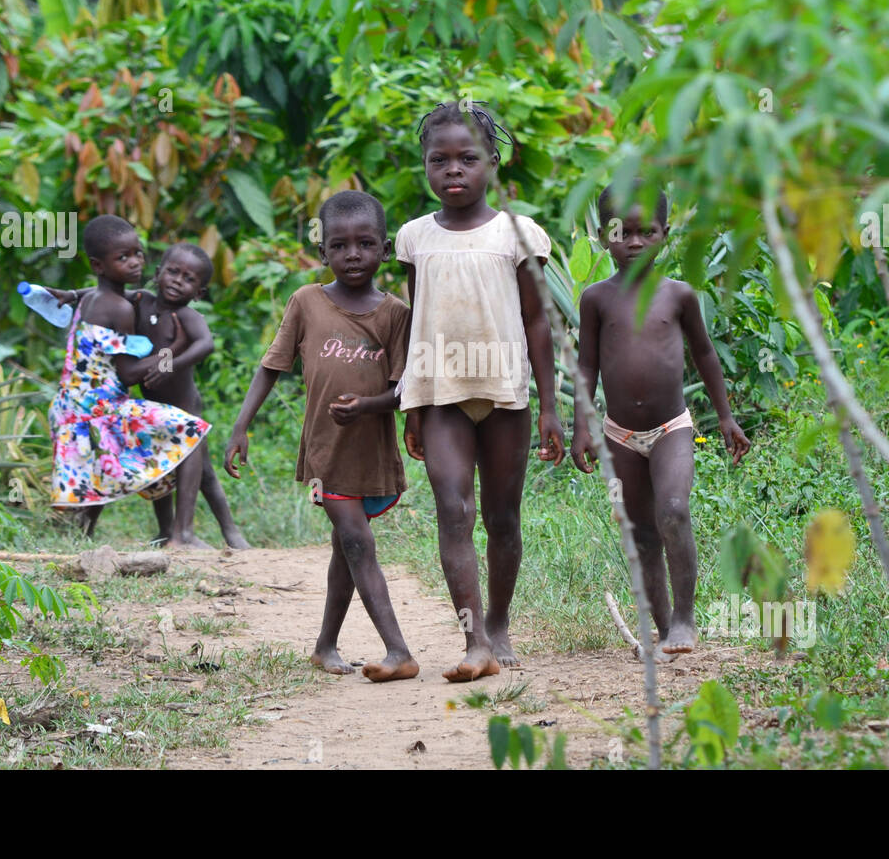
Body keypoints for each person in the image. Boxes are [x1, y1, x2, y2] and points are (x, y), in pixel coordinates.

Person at [398, 101, 565, 683]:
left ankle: (498, 622)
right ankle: (473, 641)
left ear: (493, 163)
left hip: (503, 393)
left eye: (467, 159)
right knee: (453, 509)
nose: (453, 171)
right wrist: (412, 402)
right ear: (424, 166)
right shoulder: (414, 238)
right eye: (438, 160)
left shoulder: (517, 233)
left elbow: (538, 319)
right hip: (441, 393)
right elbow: (418, 315)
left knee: (502, 517)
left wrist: (549, 404)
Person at [223, 191, 418, 683]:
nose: (353, 255)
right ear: (323, 252)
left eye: (365, 244)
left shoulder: (395, 314)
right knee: (357, 541)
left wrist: (368, 407)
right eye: (340, 245)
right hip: (325, 454)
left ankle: (325, 645)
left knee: (344, 549)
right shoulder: (307, 301)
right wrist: (240, 426)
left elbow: (402, 390)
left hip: (371, 455)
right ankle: (398, 651)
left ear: (385, 249)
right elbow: (272, 366)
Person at [571, 182, 751, 655]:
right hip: (617, 433)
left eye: (645, 232)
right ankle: (660, 626)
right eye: (621, 232)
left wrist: (726, 417)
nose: (633, 242)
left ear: (664, 234)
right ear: (602, 234)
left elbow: (706, 356)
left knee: (672, 511)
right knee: (643, 532)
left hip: (673, 427)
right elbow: (586, 365)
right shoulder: (596, 299)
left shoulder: (680, 296)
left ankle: (685, 619)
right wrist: (582, 426)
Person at [47, 215, 209, 537]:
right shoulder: (119, 308)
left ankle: (84, 536)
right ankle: (182, 535)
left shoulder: (91, 298)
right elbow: (130, 374)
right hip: (99, 409)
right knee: (190, 429)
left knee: (105, 463)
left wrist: (70, 292)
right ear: (98, 265)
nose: (135, 263)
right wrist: (172, 350)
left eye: (138, 253)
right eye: (123, 258)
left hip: (71, 407)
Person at [132, 243, 249, 550]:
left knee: (205, 475)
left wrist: (169, 363)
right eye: (172, 272)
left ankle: (229, 533)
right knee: (162, 469)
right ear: (157, 274)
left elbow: (205, 344)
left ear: (199, 293)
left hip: (185, 411)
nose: (177, 281)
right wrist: (70, 296)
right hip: (154, 412)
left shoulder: (187, 315)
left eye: (188, 278)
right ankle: (166, 530)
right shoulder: (142, 303)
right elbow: (104, 295)